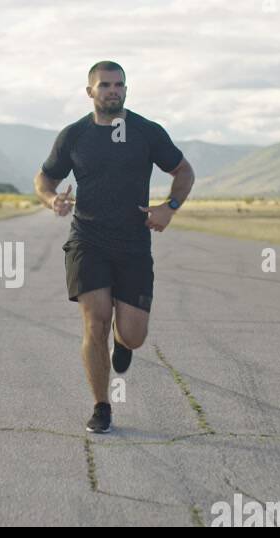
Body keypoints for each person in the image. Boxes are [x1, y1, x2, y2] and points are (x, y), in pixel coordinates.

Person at [33, 60, 196, 433]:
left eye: (118, 85)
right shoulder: (74, 135)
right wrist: (51, 199)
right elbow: (45, 176)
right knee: (96, 321)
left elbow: (183, 171)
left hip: (133, 243)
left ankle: (123, 344)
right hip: (87, 239)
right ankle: (102, 405)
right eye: (104, 85)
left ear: (126, 89)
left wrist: (169, 208)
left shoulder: (146, 132)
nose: (112, 90)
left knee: (133, 334)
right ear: (90, 91)